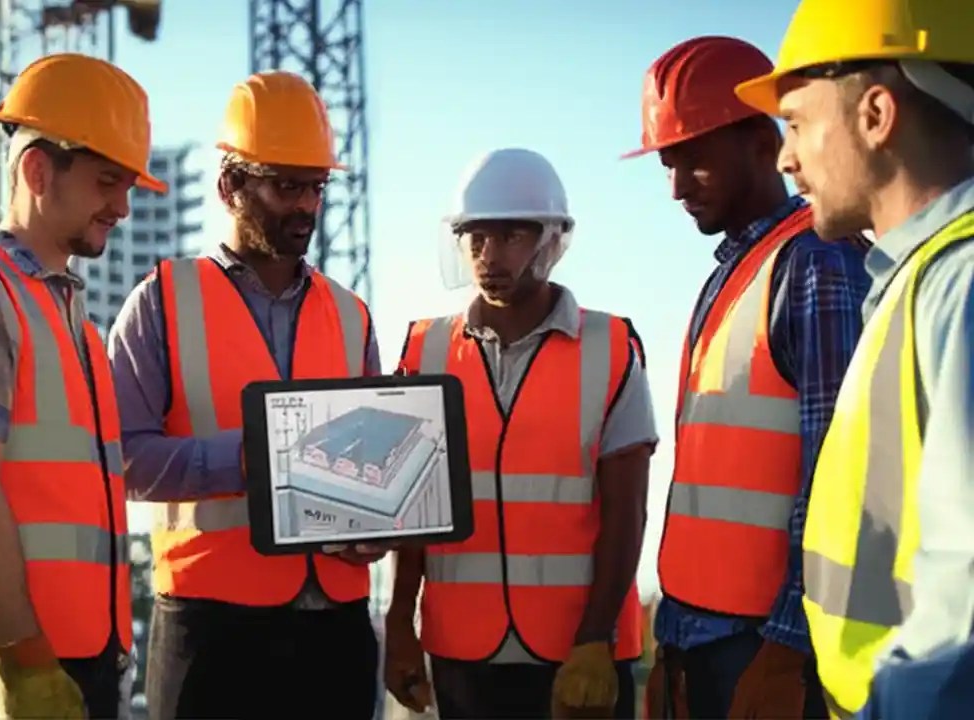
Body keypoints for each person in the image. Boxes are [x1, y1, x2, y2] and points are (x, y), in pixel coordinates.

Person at [107, 69, 384, 720]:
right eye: (288, 186)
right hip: (211, 635)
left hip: (336, 635)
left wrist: (376, 526)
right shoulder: (162, 303)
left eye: (317, 187)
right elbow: (121, 457)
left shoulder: (353, 316)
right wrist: (249, 460)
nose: (308, 207)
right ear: (230, 184)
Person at [0, 53, 162, 720]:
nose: (122, 207)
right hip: (7, 669)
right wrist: (23, 660)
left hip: (80, 659)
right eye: (107, 182)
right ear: (37, 169)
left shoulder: (72, 318)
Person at [733, 0, 974, 716]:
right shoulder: (915, 281)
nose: (784, 156)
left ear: (875, 115)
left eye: (797, 123)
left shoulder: (958, 284)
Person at [624, 36, 872, 719]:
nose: (674, 187)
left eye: (692, 161)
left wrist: (787, 657)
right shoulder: (731, 273)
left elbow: (836, 477)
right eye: (666, 164)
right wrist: (669, 644)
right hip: (700, 644)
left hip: (763, 649)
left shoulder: (817, 263)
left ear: (763, 144)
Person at [385, 147, 657, 720]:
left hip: (577, 654)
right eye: (476, 237)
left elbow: (627, 512)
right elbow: (407, 505)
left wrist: (594, 640)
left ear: (554, 240)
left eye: (511, 236)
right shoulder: (425, 351)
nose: (489, 255)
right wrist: (398, 623)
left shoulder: (610, 351)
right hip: (463, 654)